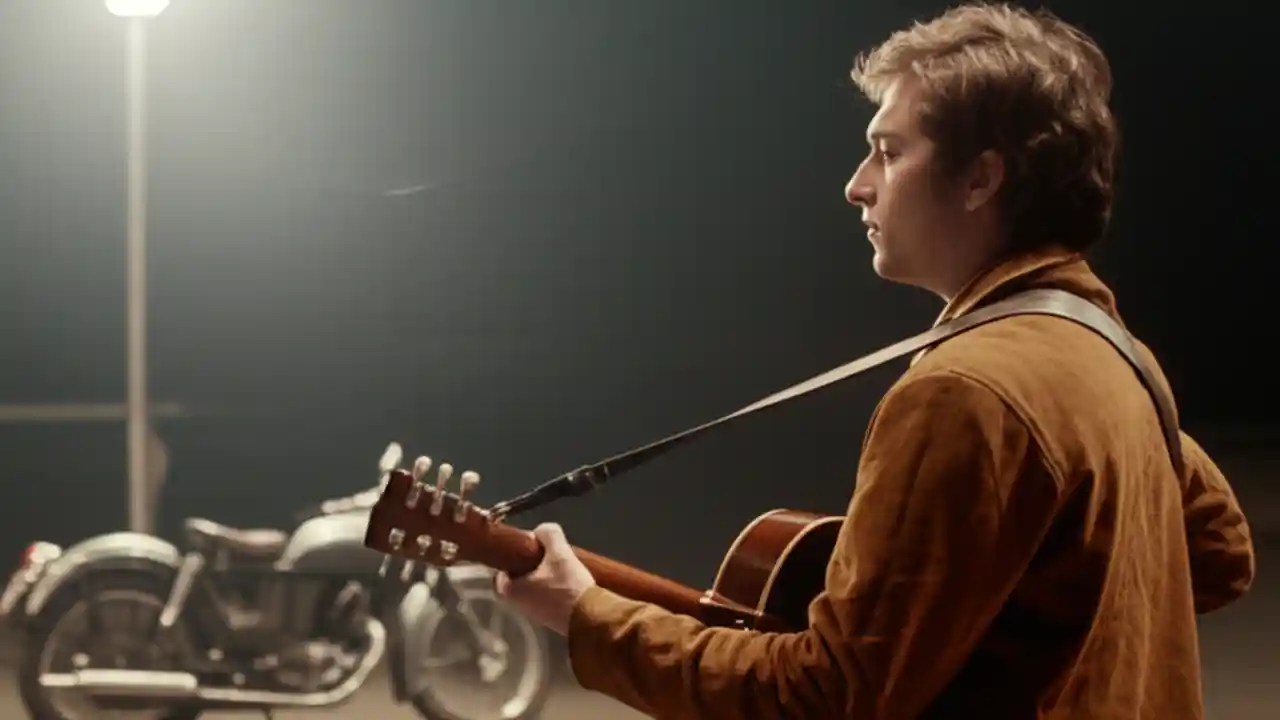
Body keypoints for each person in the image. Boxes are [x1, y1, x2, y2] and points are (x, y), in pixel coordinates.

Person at [494, 3, 1256, 718]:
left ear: (981, 179)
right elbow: (1220, 557)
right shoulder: (1112, 351)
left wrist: (585, 615)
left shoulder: (965, 391)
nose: (857, 186)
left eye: (890, 153)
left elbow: (828, 695)